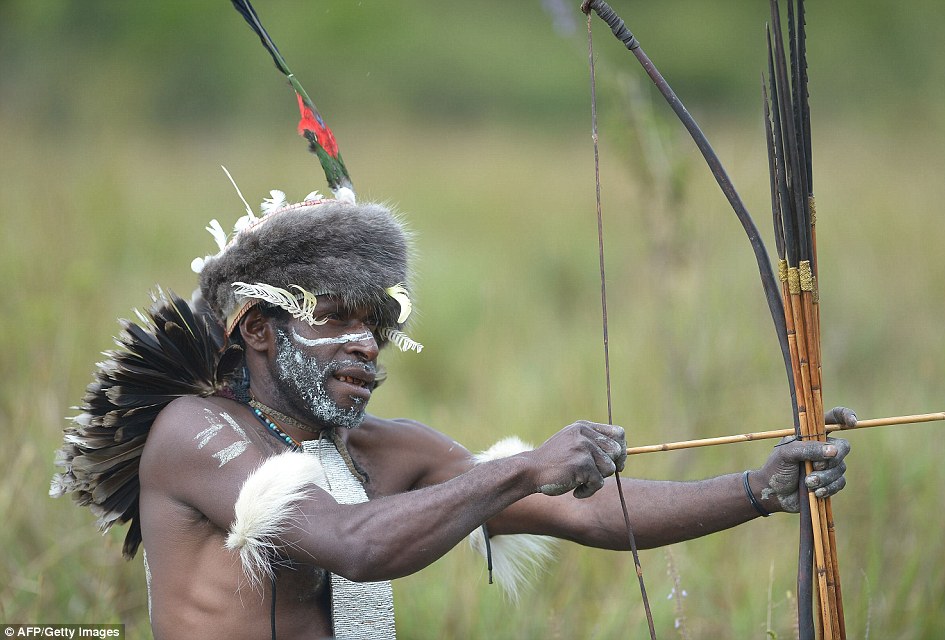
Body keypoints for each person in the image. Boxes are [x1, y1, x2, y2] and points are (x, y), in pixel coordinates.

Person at [53, 192, 853, 640]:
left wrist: (760, 488)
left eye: (378, 323)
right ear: (259, 329)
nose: (365, 343)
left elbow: (587, 509)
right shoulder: (197, 435)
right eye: (335, 317)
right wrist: (522, 465)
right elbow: (351, 545)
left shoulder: (383, 450)